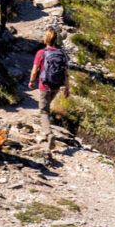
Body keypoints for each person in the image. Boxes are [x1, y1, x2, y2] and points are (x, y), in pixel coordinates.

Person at [28, 28, 71, 160]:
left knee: (43, 111)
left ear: (45, 39)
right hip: (56, 85)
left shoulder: (41, 53)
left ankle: (48, 133)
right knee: (47, 108)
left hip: (44, 85)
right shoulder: (61, 53)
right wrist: (67, 88)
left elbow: (35, 70)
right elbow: (66, 73)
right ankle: (47, 129)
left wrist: (31, 81)